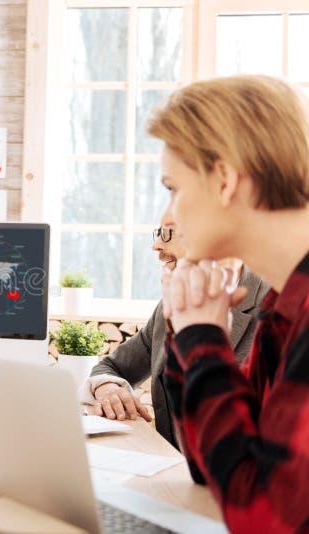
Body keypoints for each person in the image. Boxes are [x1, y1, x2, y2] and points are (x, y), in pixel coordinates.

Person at [151, 75, 309, 532]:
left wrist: (203, 341)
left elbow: (265, 520)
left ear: (224, 179)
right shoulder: (285, 309)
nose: (171, 215)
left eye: (172, 188)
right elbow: (217, 470)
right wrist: (197, 331)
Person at [84, 214, 267, 447]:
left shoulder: (276, 307)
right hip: (177, 471)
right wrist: (107, 387)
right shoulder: (170, 306)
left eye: (168, 233)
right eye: (158, 232)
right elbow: (111, 367)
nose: (156, 245)